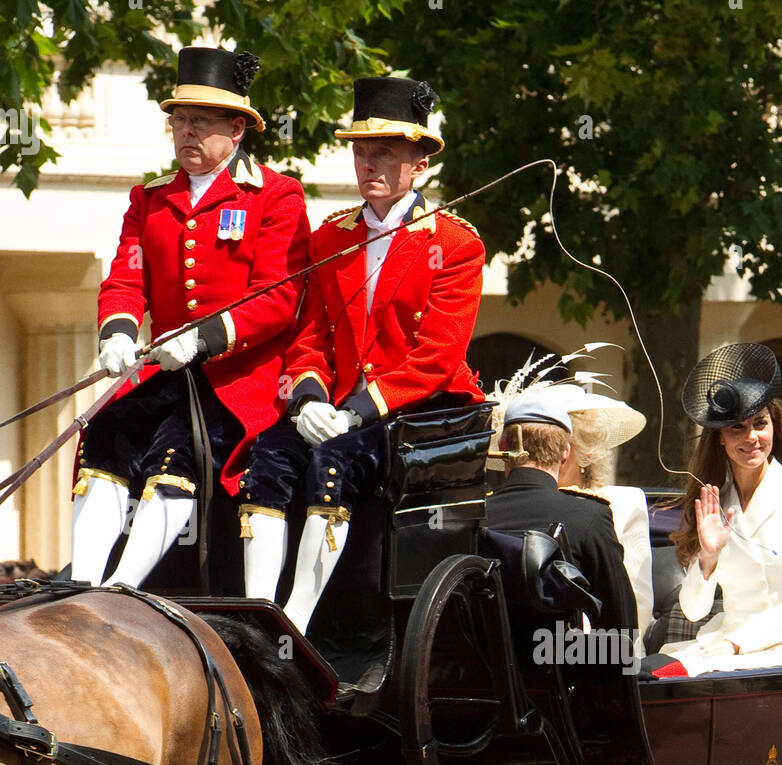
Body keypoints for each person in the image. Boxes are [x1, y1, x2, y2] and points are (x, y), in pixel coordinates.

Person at [239, 75, 485, 634]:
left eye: (385, 155)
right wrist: (306, 397)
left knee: (334, 463)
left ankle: (296, 622)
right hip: (339, 402)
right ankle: (258, 617)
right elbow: (312, 336)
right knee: (269, 459)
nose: (368, 165)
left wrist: (356, 410)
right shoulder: (329, 238)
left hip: (419, 405)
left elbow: (437, 357)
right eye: (361, 152)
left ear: (419, 165)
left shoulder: (455, 242)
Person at [71, 46, 310, 587]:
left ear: (237, 130)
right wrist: (119, 332)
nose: (186, 132)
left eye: (200, 122)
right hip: (167, 372)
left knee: (174, 448)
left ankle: (120, 589)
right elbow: (127, 280)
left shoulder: (276, 196)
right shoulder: (149, 199)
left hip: (238, 380)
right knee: (103, 431)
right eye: (179, 121)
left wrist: (203, 339)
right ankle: (82, 585)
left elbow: (276, 299)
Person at [655, 342, 782, 677]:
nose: (751, 437)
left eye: (760, 423)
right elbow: (693, 611)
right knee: (656, 677)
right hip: (720, 646)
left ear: (773, 427)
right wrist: (708, 554)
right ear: (720, 438)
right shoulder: (712, 504)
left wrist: (735, 644)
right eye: (737, 427)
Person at [486, 395, 639, 647]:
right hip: (560, 676)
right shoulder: (589, 516)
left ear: (503, 447)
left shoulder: (473, 517)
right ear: (565, 452)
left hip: (479, 680)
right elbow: (621, 625)